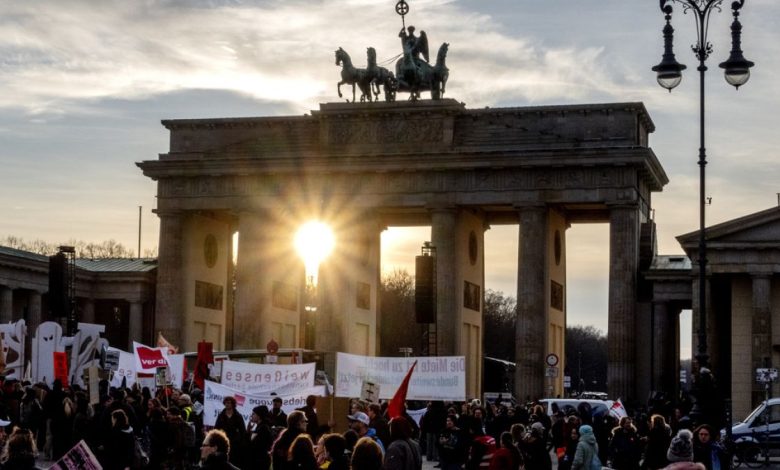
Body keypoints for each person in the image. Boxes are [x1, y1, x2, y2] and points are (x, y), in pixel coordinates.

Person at [215, 396, 247, 467]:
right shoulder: (221, 415)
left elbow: (242, 430)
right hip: (223, 441)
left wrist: (241, 442)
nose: (227, 404)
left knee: (234, 461)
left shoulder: (238, 416)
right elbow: (216, 428)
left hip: (234, 443)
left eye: (229, 403)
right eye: (226, 403)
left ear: (233, 404)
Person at [247, 405, 273, 470]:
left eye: (254, 414)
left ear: (259, 416)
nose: (251, 416)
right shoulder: (260, 427)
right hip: (259, 460)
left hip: (260, 461)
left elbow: (253, 444)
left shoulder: (263, 428)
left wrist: (248, 432)